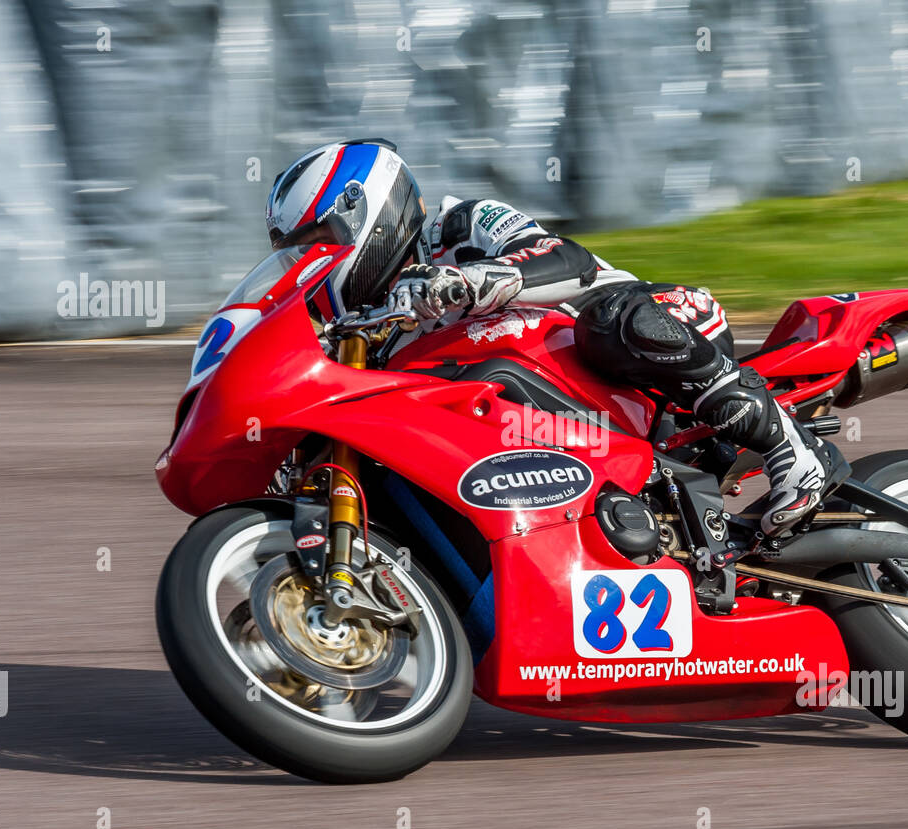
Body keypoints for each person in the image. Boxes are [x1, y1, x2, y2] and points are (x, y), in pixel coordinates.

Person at [265, 139, 843, 535]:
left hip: (651, 330)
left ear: (363, 210)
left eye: (320, 239)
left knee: (611, 320)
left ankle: (790, 448)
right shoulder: (365, 333)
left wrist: (468, 281)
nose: (313, 259)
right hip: (562, 421)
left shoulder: (459, 226)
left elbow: (568, 258)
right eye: (300, 250)